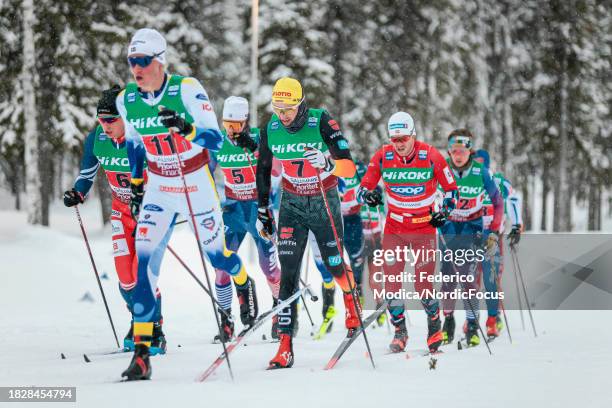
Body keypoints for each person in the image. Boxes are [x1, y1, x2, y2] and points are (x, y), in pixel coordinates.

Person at [116, 28, 257, 381]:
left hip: (195, 182)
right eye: (132, 61)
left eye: (143, 61)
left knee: (217, 257)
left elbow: (215, 137)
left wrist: (186, 128)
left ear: (160, 61)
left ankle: (242, 283)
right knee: (144, 261)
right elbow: (134, 144)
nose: (137, 68)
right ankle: (143, 353)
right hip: (160, 186)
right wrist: (136, 187)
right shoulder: (127, 100)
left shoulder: (186, 89)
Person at [256, 77, 359, 369]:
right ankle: (285, 345)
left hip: (323, 197)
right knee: (288, 270)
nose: (283, 115)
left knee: (334, 264)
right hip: (291, 202)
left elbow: (348, 166)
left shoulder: (320, 121)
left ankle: (351, 299)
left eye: (288, 109)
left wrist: (328, 163)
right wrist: (263, 208)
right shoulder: (271, 129)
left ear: (301, 104)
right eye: (278, 108)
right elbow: (262, 170)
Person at [63, 86, 165, 355]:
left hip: (149, 212)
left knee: (141, 273)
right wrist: (77, 193)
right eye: (101, 120)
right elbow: (87, 173)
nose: (105, 126)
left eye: (111, 120)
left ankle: (154, 327)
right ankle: (138, 318)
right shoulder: (96, 138)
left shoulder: (141, 138)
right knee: (125, 277)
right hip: (121, 211)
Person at [358, 111, 458, 354]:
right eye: (395, 139)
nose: (399, 144)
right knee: (391, 282)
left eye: (403, 138)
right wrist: (369, 195)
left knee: (423, 284)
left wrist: (444, 212)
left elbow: (452, 191)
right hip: (395, 229)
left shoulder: (431, 155)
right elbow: (363, 189)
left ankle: (434, 325)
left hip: (424, 228)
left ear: (413, 135)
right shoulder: (383, 156)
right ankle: (400, 331)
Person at [210, 96, 281, 342]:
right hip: (233, 210)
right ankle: (226, 319)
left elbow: (275, 168)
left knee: (269, 268)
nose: (231, 129)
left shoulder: (260, 137)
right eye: (227, 123)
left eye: (236, 124)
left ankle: (279, 311)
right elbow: (205, 171)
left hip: (257, 208)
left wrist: (253, 147)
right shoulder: (218, 141)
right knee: (221, 266)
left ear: (245, 121)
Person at [438, 130, 503, 347]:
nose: (458, 155)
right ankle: (447, 322)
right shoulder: (440, 167)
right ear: (449, 151)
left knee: (468, 279)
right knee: (447, 278)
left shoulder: (481, 172)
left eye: (463, 151)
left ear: (470, 151)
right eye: (454, 151)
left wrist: (493, 229)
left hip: (471, 227)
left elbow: (498, 202)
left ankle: (473, 325)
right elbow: (426, 193)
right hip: (447, 227)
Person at [472, 149, 523, 337]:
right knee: (472, 279)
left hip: (493, 236)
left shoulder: (498, 180)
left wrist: (517, 225)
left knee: (491, 278)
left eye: (480, 162)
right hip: (472, 236)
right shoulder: (467, 180)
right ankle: (472, 320)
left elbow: (514, 198)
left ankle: (493, 319)